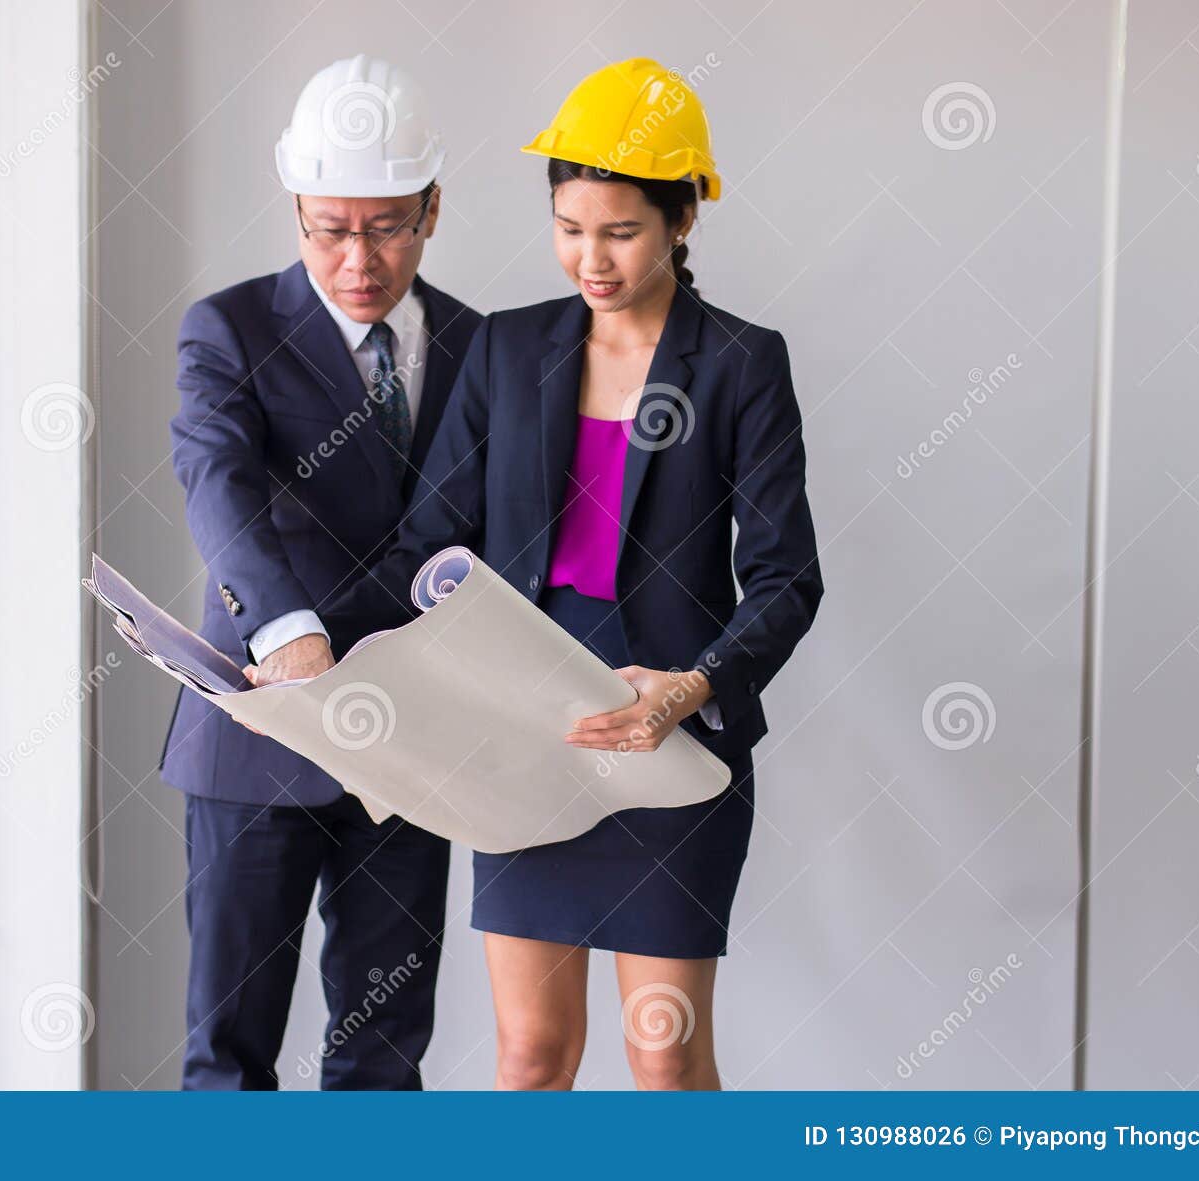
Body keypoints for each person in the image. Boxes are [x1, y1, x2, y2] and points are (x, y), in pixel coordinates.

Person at [320, 57, 823, 1090]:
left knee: (664, 1050)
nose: (588, 257)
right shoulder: (508, 351)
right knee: (531, 1053)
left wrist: (689, 689)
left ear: (683, 219)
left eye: (621, 231)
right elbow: (430, 544)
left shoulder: (737, 363)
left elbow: (784, 576)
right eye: (568, 226)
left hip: (671, 740)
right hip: (524, 743)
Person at [160, 54, 482, 1089]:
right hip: (261, 723)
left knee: (383, 1057)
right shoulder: (231, 329)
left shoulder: (482, 347)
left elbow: (464, 527)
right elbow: (217, 482)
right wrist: (286, 630)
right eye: (328, 228)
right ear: (297, 207)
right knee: (229, 1056)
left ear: (431, 206)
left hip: (407, 736)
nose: (356, 259)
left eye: (385, 225)